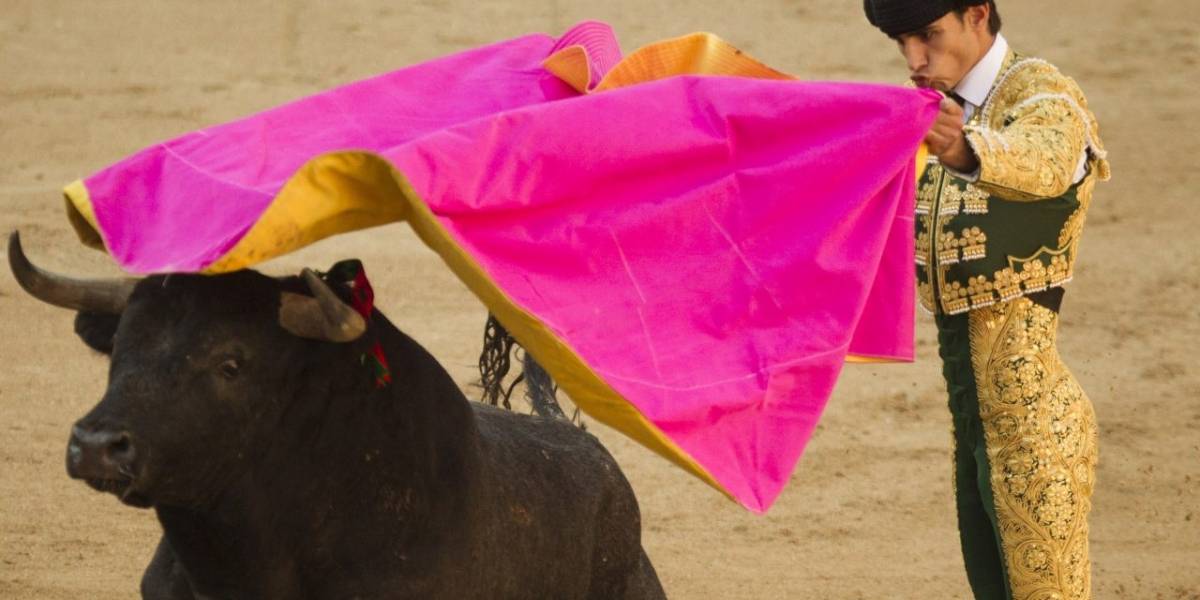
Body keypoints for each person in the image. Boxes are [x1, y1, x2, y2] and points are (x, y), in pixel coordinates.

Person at [862, 1, 1110, 598]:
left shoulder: (1043, 94)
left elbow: (1046, 160)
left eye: (929, 35)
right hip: (974, 431)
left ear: (977, 14)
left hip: (1037, 434)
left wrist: (963, 149)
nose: (915, 59)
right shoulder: (929, 112)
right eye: (901, 42)